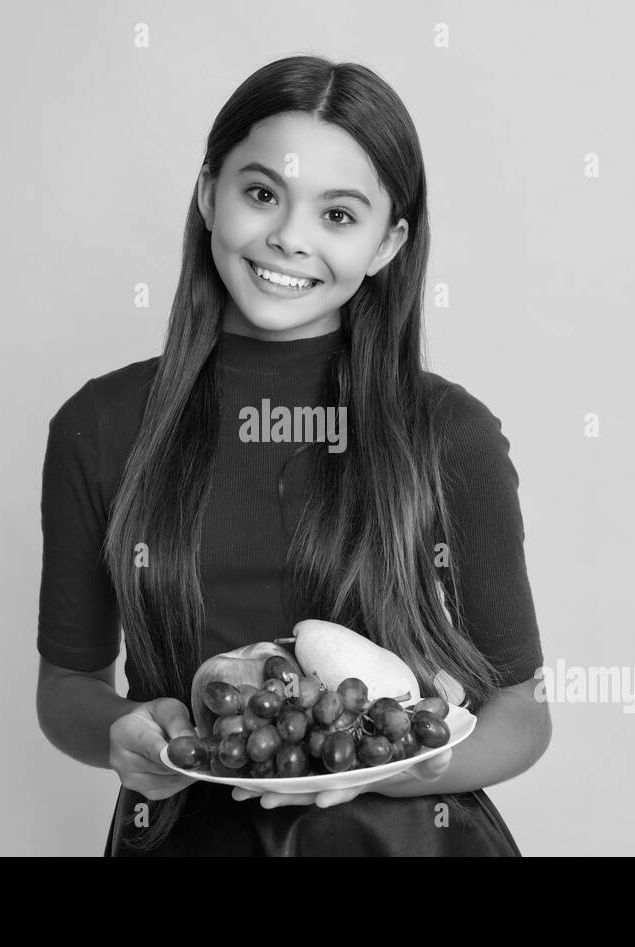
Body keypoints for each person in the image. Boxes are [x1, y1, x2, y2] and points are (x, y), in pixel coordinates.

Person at [35, 55, 551, 856]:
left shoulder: (449, 432)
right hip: (184, 840)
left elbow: (520, 709)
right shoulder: (98, 425)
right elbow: (67, 686)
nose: (288, 237)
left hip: (408, 839)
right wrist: (123, 731)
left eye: (339, 215)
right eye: (262, 193)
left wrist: (397, 767)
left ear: (389, 243)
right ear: (210, 193)